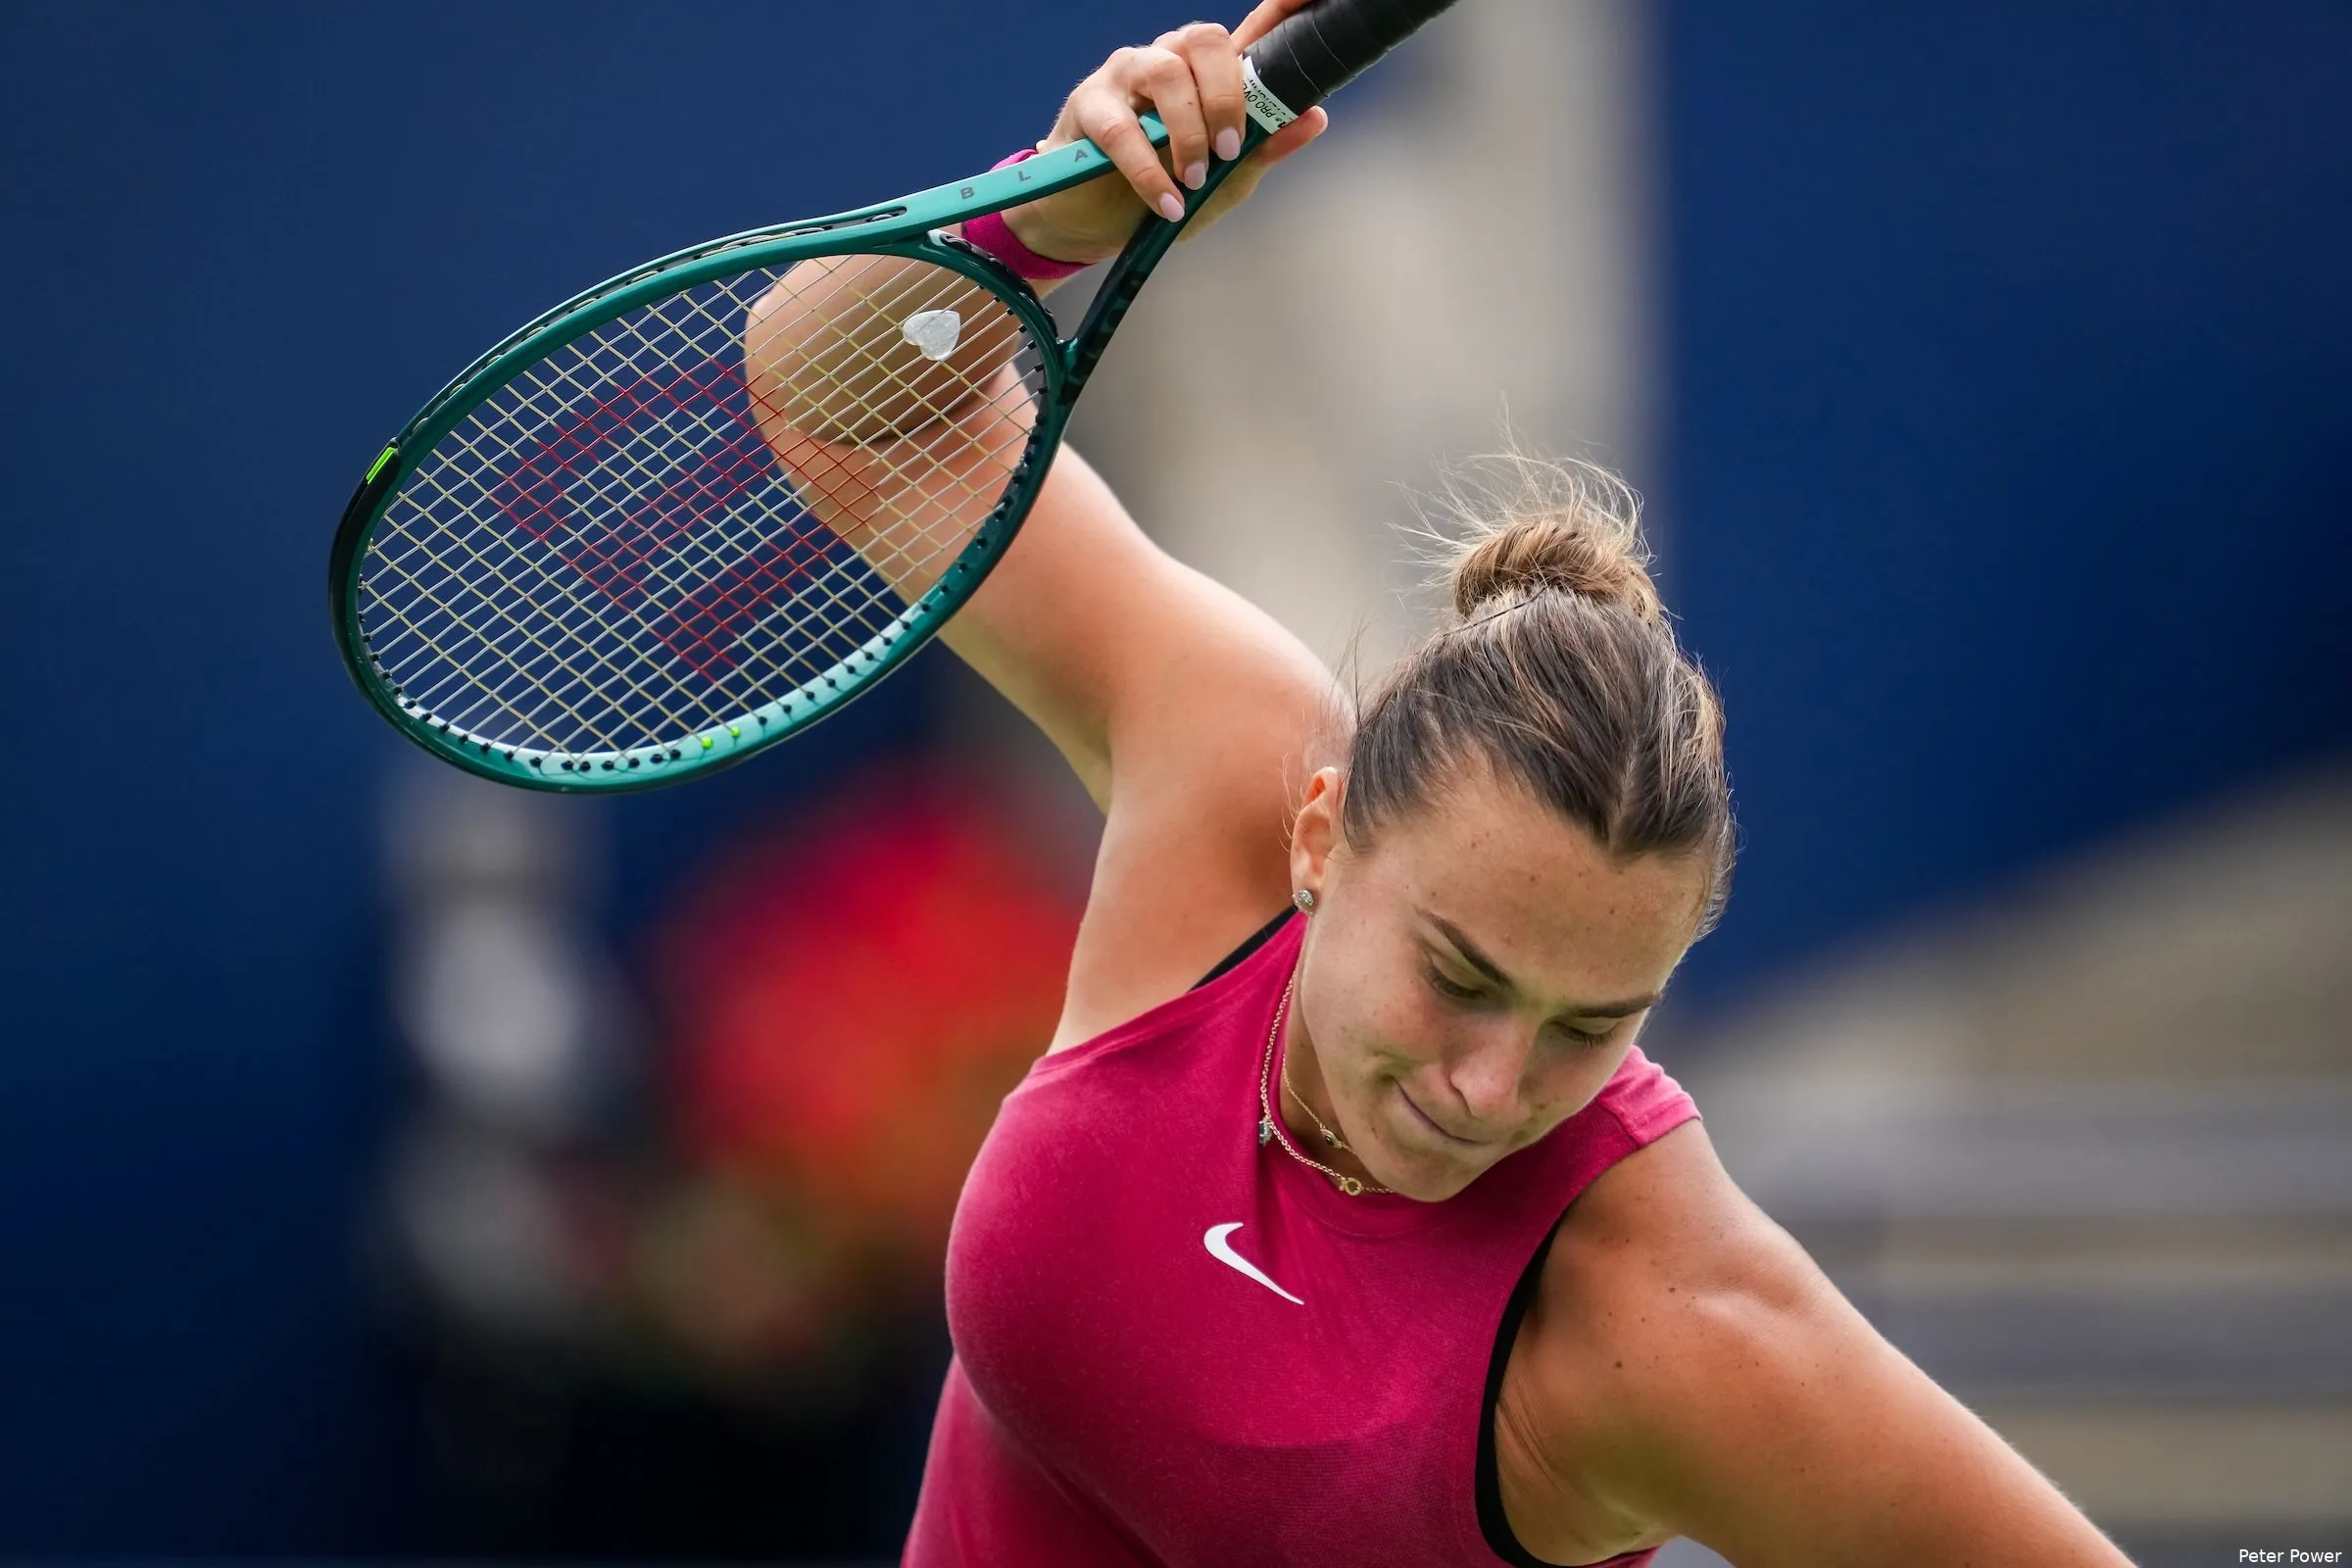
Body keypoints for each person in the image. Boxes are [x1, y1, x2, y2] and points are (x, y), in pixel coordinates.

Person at [752, 5, 2137, 1562]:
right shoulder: (1226, 759)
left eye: (1589, 1027)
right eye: (1461, 977)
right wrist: (1052, 215)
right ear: (1321, 835)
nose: (1492, 1088)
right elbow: (842, 401)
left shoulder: (1671, 1331)